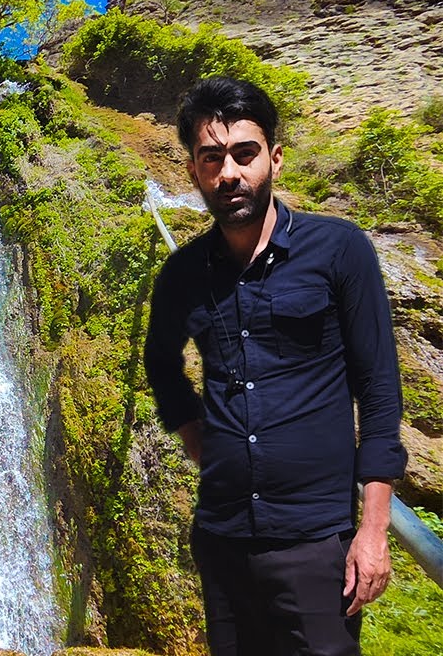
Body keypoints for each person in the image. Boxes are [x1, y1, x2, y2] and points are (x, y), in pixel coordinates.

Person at [143, 77, 407, 656]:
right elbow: (161, 363)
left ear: (275, 159)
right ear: (193, 171)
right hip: (221, 539)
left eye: (244, 153)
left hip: (318, 545)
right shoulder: (183, 275)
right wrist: (195, 437)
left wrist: (373, 528)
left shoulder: (339, 250)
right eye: (212, 159)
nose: (229, 173)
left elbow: (379, 388)